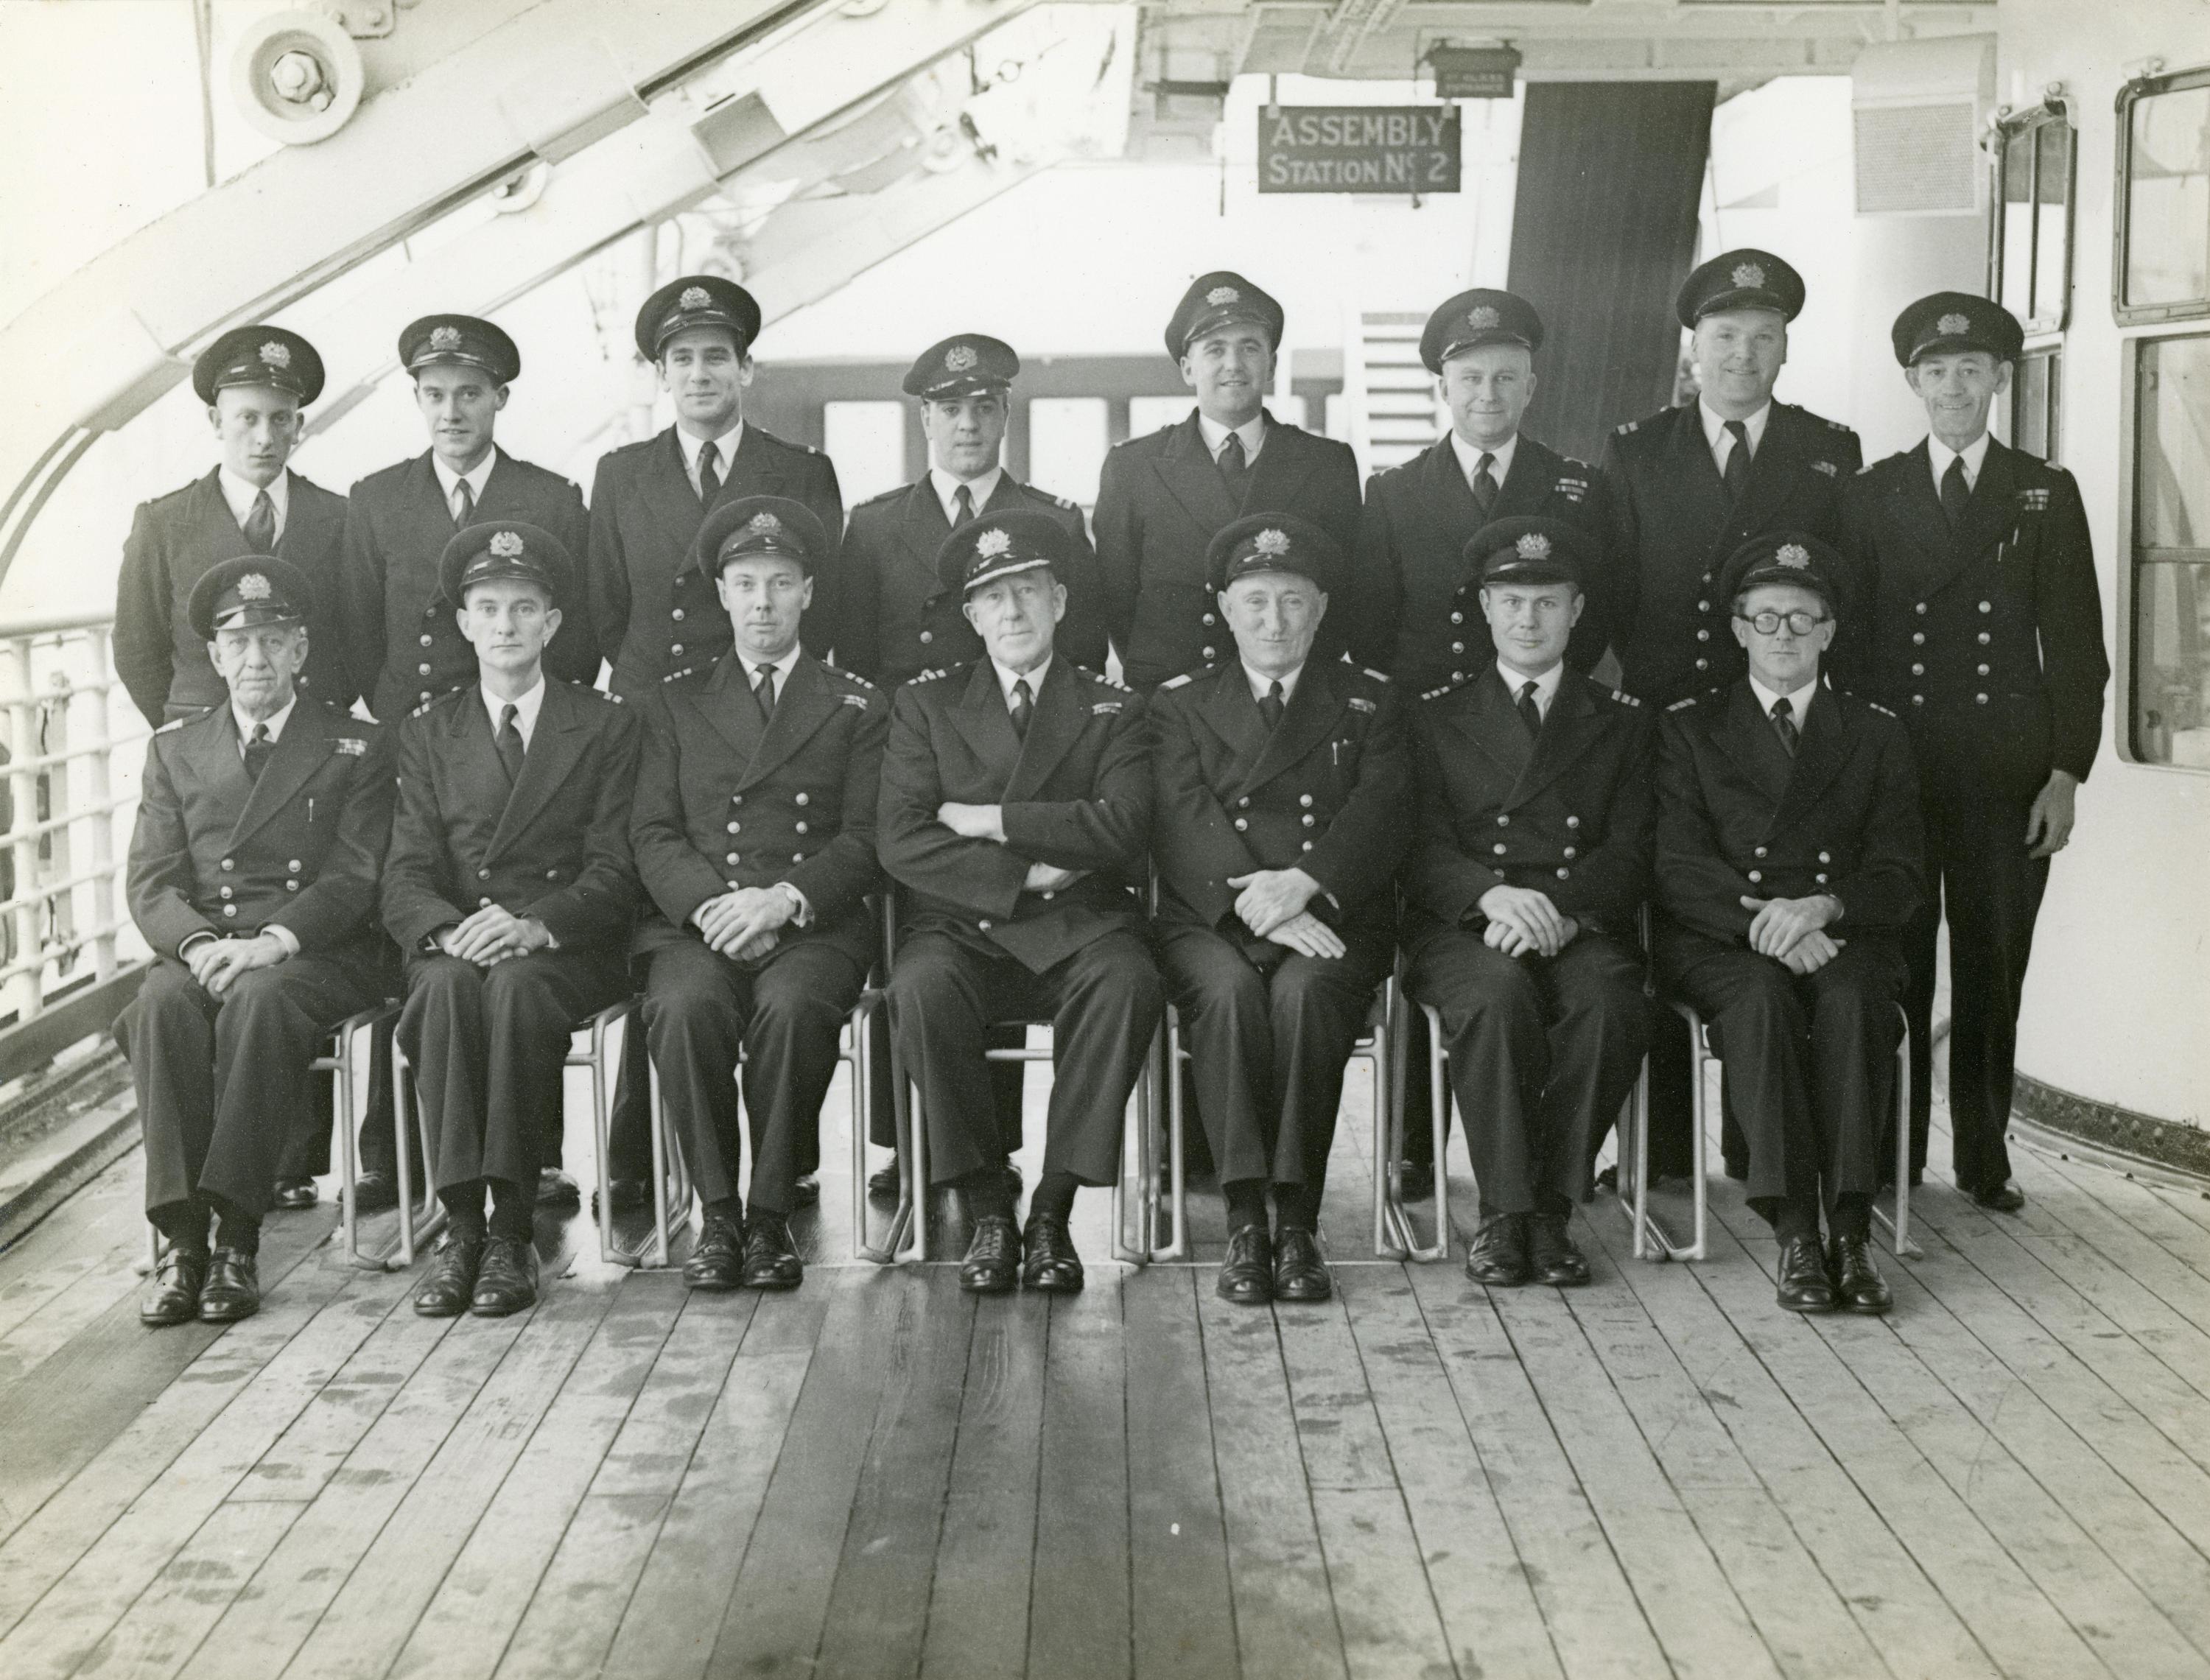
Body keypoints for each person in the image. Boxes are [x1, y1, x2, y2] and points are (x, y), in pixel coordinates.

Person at [1841, 293, 2108, 1212]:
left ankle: (1983, 1155)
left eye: (1970, 370)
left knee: (1995, 966)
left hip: (2008, 774)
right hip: (1902, 775)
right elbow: (1857, 643)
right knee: (1898, 965)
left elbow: (2078, 648)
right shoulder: (1874, 492)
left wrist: (2068, 772)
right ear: (1913, 383)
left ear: (2000, 377)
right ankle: (1894, 1153)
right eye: (1935, 372)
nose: (1953, 388)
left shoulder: (2045, 491)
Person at [1602, 248, 1864, 1182]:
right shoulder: (1638, 449)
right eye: (1724, 337)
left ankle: (1763, 1150)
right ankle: (1667, 1152)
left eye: (1762, 338)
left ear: (1785, 349)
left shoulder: (1828, 450)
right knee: (1664, 926)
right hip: (1669, 725)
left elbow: (1841, 596)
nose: (1742, 356)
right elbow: (1612, 594)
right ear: (1693, 347)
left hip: (1777, 718)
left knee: (1765, 927)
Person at [585, 274, 843, 1206]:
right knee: (669, 948)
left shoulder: (800, 471)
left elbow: (833, 603)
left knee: (785, 980)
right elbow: (608, 610)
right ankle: (645, 1159)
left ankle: (783, 1165)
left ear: (746, 368)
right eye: (682, 359)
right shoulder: (621, 476)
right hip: (666, 730)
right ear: (662, 372)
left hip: (778, 726)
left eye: (717, 357)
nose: (701, 374)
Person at [337, 314, 597, 1212]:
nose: (452, 411)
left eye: (470, 394)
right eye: (435, 395)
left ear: (499, 400)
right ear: (418, 399)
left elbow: (585, 631)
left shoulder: (551, 496)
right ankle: (395, 1150)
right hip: (418, 746)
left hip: (530, 748)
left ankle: (535, 1159)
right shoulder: (374, 499)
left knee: (523, 971)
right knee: (415, 941)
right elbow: (352, 628)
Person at [838, 332, 1107, 1192]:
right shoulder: (877, 524)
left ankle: (999, 1151)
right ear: (925, 418)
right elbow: (851, 646)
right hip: (918, 755)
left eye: (983, 407)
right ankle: (910, 1139)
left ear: (1005, 416)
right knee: (916, 942)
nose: (967, 423)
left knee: (1020, 940)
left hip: (1030, 755)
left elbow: (1087, 647)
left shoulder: (1054, 519)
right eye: (950, 409)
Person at [879, 510, 1162, 1296]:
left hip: (1084, 929)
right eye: (994, 596)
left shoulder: (1114, 705)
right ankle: (985, 1207)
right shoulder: (926, 706)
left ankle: (1051, 1210)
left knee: (1129, 980)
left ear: (1061, 601)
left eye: (1028, 590)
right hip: (965, 928)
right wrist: (1027, 875)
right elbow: (901, 840)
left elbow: (1126, 826)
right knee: (919, 988)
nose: (1013, 611)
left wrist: (990, 820)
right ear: (971, 616)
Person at [116, 558, 395, 1326]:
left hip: (313, 952)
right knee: (158, 1007)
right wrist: (201, 945)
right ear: (215, 656)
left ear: (301, 651)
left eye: (274, 642)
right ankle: (180, 1240)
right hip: (207, 949)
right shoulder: (175, 751)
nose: (257, 661)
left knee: (260, 1002)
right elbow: (151, 881)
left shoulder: (356, 744)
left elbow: (356, 874)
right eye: (239, 644)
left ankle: (237, 1235)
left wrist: (275, 938)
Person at [1652, 534, 1925, 1314]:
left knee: (1853, 1002)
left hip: (1840, 930)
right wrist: (1771, 922)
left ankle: (1850, 1231)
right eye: (1766, 619)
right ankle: (1795, 1231)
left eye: (1802, 621)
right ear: (1737, 628)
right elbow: (1677, 864)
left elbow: (1900, 869)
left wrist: (1825, 907)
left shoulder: (1876, 731)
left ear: (1830, 631)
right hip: (1724, 937)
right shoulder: (1689, 726)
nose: (1783, 637)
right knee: (1761, 1003)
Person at [381, 522, 640, 1318]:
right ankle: (462, 1228)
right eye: (488, 608)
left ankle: (513, 1226)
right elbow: (405, 870)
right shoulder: (428, 731)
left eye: (523, 608)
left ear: (553, 624)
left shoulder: (603, 724)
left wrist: (534, 924)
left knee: (520, 991)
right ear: (463, 622)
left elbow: (615, 868)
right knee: (447, 991)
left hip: (563, 945)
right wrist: (451, 930)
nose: (505, 626)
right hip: (459, 939)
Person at [1149, 514, 1408, 1304]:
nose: (1273, 620)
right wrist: (1259, 903)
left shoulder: (1370, 700)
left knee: (1307, 995)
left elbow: (1384, 809)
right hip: (1209, 915)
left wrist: (1309, 880)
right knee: (1225, 996)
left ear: (1322, 607)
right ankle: (1242, 1220)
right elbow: (1179, 816)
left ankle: (1296, 1217)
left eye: (1292, 601)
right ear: (1225, 608)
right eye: (1255, 601)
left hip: (1332, 912)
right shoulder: (1179, 703)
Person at [632, 497, 888, 1292]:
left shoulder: (856, 701)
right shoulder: (672, 702)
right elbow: (652, 832)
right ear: (723, 594)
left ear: (809, 592)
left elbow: (867, 837)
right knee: (684, 1009)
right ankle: (717, 1213)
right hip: (699, 922)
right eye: (747, 583)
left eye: (781, 583)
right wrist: (716, 908)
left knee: (795, 1009)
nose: (764, 602)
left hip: (812, 922)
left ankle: (771, 1212)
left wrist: (783, 900)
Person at [1402, 519, 1655, 1288]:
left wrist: (1562, 910)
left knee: (1612, 1001)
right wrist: (1492, 895)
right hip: (1467, 927)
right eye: (1512, 601)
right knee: (1496, 995)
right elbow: (1416, 846)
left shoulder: (1624, 720)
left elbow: (1634, 849)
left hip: (1577, 922)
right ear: (1485, 608)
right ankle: (1505, 1214)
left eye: (1547, 603)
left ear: (1578, 610)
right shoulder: (1432, 716)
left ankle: (1550, 1207)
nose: (1528, 619)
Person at [1095, 272, 1365, 692]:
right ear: (1187, 368)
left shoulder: (1327, 464)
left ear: (1272, 364)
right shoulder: (1133, 468)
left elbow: (1344, 598)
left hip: (1292, 699)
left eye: (1250, 348)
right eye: (1215, 350)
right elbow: (1118, 603)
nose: (1233, 365)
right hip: (1174, 704)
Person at [1362, 289, 1612, 694]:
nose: (1488, 395)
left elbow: (1595, 619)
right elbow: (1371, 634)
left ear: (1529, 388)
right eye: (1472, 379)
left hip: (1536, 711)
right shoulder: (1394, 493)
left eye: (1505, 378)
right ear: (1444, 389)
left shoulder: (1578, 487)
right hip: (1430, 718)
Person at [114, 328, 352, 728]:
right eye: (248, 418)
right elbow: (136, 651)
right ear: (217, 421)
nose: (264, 438)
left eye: (280, 419)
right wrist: (189, 735)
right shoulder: (163, 523)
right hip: (202, 748)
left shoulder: (340, 518)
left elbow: (359, 638)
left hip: (314, 742)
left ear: (298, 425)